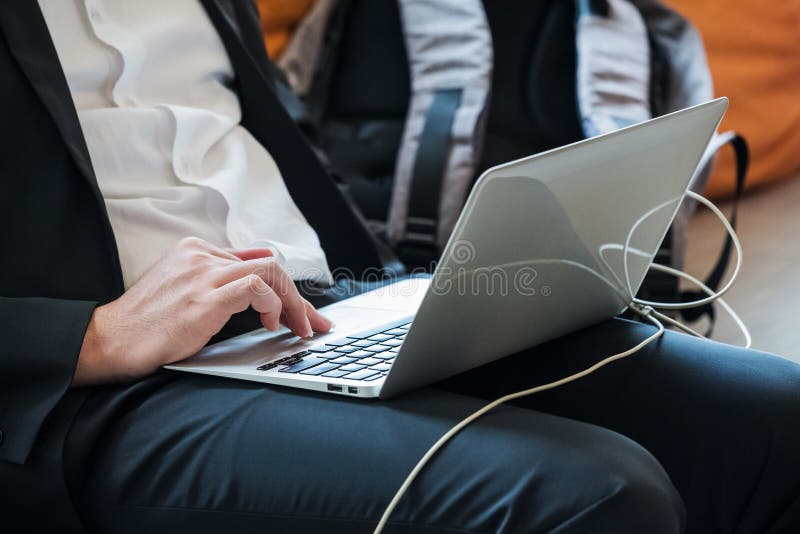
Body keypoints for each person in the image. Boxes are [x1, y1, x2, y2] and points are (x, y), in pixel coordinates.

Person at [1, 1, 799, 533]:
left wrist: (397, 278)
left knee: (778, 420)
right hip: (118, 383)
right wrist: (92, 336)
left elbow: (266, 136)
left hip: (333, 308)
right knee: (600, 495)